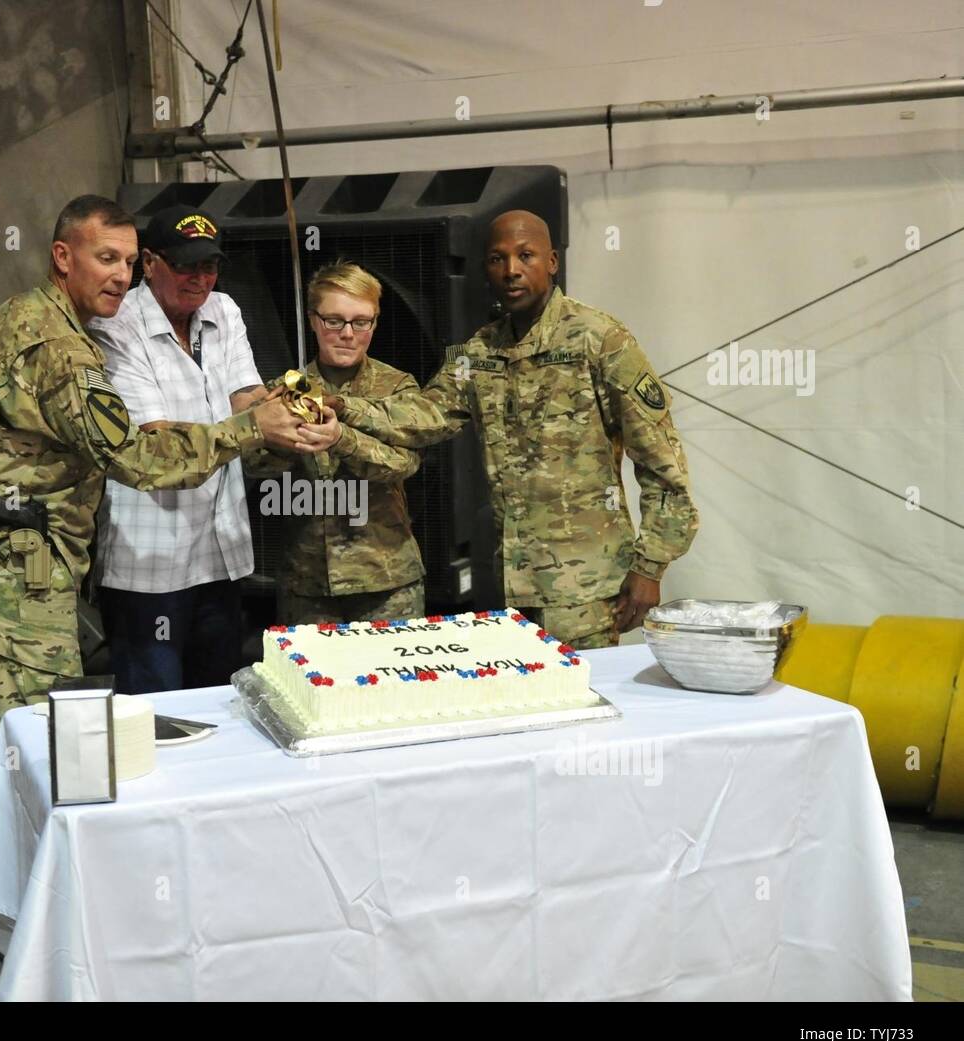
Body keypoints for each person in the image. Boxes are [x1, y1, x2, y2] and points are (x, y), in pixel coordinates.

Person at [0, 194, 337, 956]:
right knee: (46, 749)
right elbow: (142, 457)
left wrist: (269, 417)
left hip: (27, 566)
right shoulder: (61, 349)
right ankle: (52, 935)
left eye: (125, 259)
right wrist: (250, 428)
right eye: (106, 259)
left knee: (0, 740)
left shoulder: (46, 319)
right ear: (64, 257)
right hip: (18, 576)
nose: (119, 276)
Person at [314, 210, 698, 648]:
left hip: (585, 591)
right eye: (498, 259)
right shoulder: (480, 351)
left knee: (586, 708)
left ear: (552, 262)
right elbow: (423, 414)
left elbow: (662, 465)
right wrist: (345, 406)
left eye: (526, 255)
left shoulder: (599, 339)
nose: (511, 270)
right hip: (510, 586)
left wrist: (649, 569)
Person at [86, 205, 266, 693]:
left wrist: (293, 410)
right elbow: (157, 442)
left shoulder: (224, 310)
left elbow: (246, 395)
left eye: (209, 266)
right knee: (155, 712)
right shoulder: (114, 326)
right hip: (149, 559)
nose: (201, 278)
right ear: (150, 262)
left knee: (220, 700)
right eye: (186, 265)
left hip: (221, 546)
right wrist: (257, 424)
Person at [245, 260, 426, 624]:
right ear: (313, 320)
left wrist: (341, 438)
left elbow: (402, 464)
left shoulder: (397, 387)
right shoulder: (286, 388)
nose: (348, 333)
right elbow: (253, 465)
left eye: (361, 322)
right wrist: (287, 436)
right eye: (334, 321)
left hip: (386, 579)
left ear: (375, 322)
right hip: (307, 581)